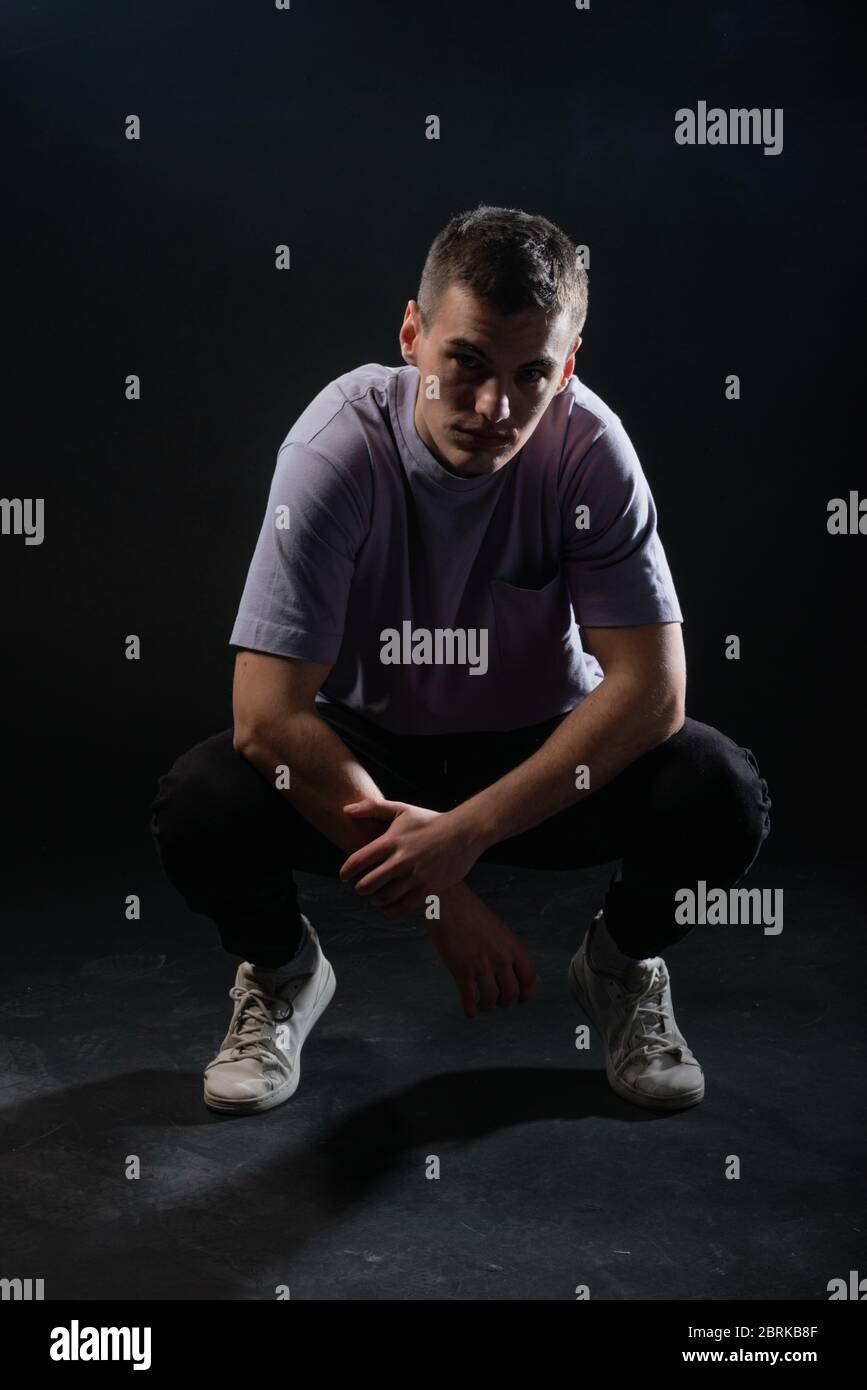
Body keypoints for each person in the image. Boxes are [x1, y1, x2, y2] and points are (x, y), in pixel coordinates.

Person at [149, 204, 771, 1118]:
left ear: (568, 365)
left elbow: (651, 693)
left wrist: (462, 839)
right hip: (374, 760)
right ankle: (282, 974)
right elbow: (267, 716)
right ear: (413, 335)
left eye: (531, 375)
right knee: (202, 800)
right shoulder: (336, 447)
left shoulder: (589, 449)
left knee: (719, 789)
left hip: (544, 760)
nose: (494, 409)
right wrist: (443, 898)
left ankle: (619, 965)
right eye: (467, 363)